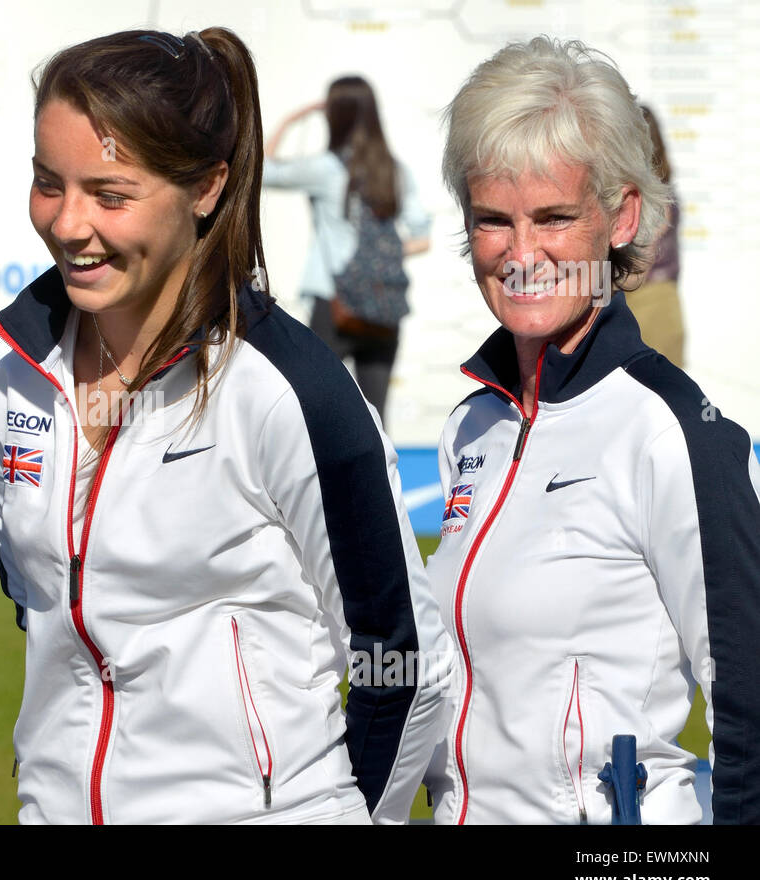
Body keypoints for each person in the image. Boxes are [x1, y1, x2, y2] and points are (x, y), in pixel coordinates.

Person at [0, 28, 451, 825]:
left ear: (207, 187)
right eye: (50, 183)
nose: (69, 224)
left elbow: (403, 660)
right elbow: (41, 607)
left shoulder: (289, 391)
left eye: (110, 195)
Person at [425, 37, 760, 824]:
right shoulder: (470, 426)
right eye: (492, 221)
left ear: (622, 216)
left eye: (554, 217)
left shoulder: (672, 433)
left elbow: (749, 695)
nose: (521, 253)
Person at [264, 76, 431, 425]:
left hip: (333, 302)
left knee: (317, 406)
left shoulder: (326, 169)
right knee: (377, 417)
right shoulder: (395, 171)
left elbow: (263, 171)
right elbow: (422, 236)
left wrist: (294, 118)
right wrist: (382, 254)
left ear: (333, 115)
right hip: (384, 303)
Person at [624, 105, 685, 367]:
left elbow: (638, 265)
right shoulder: (665, 192)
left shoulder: (652, 199)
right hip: (661, 305)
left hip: (648, 308)